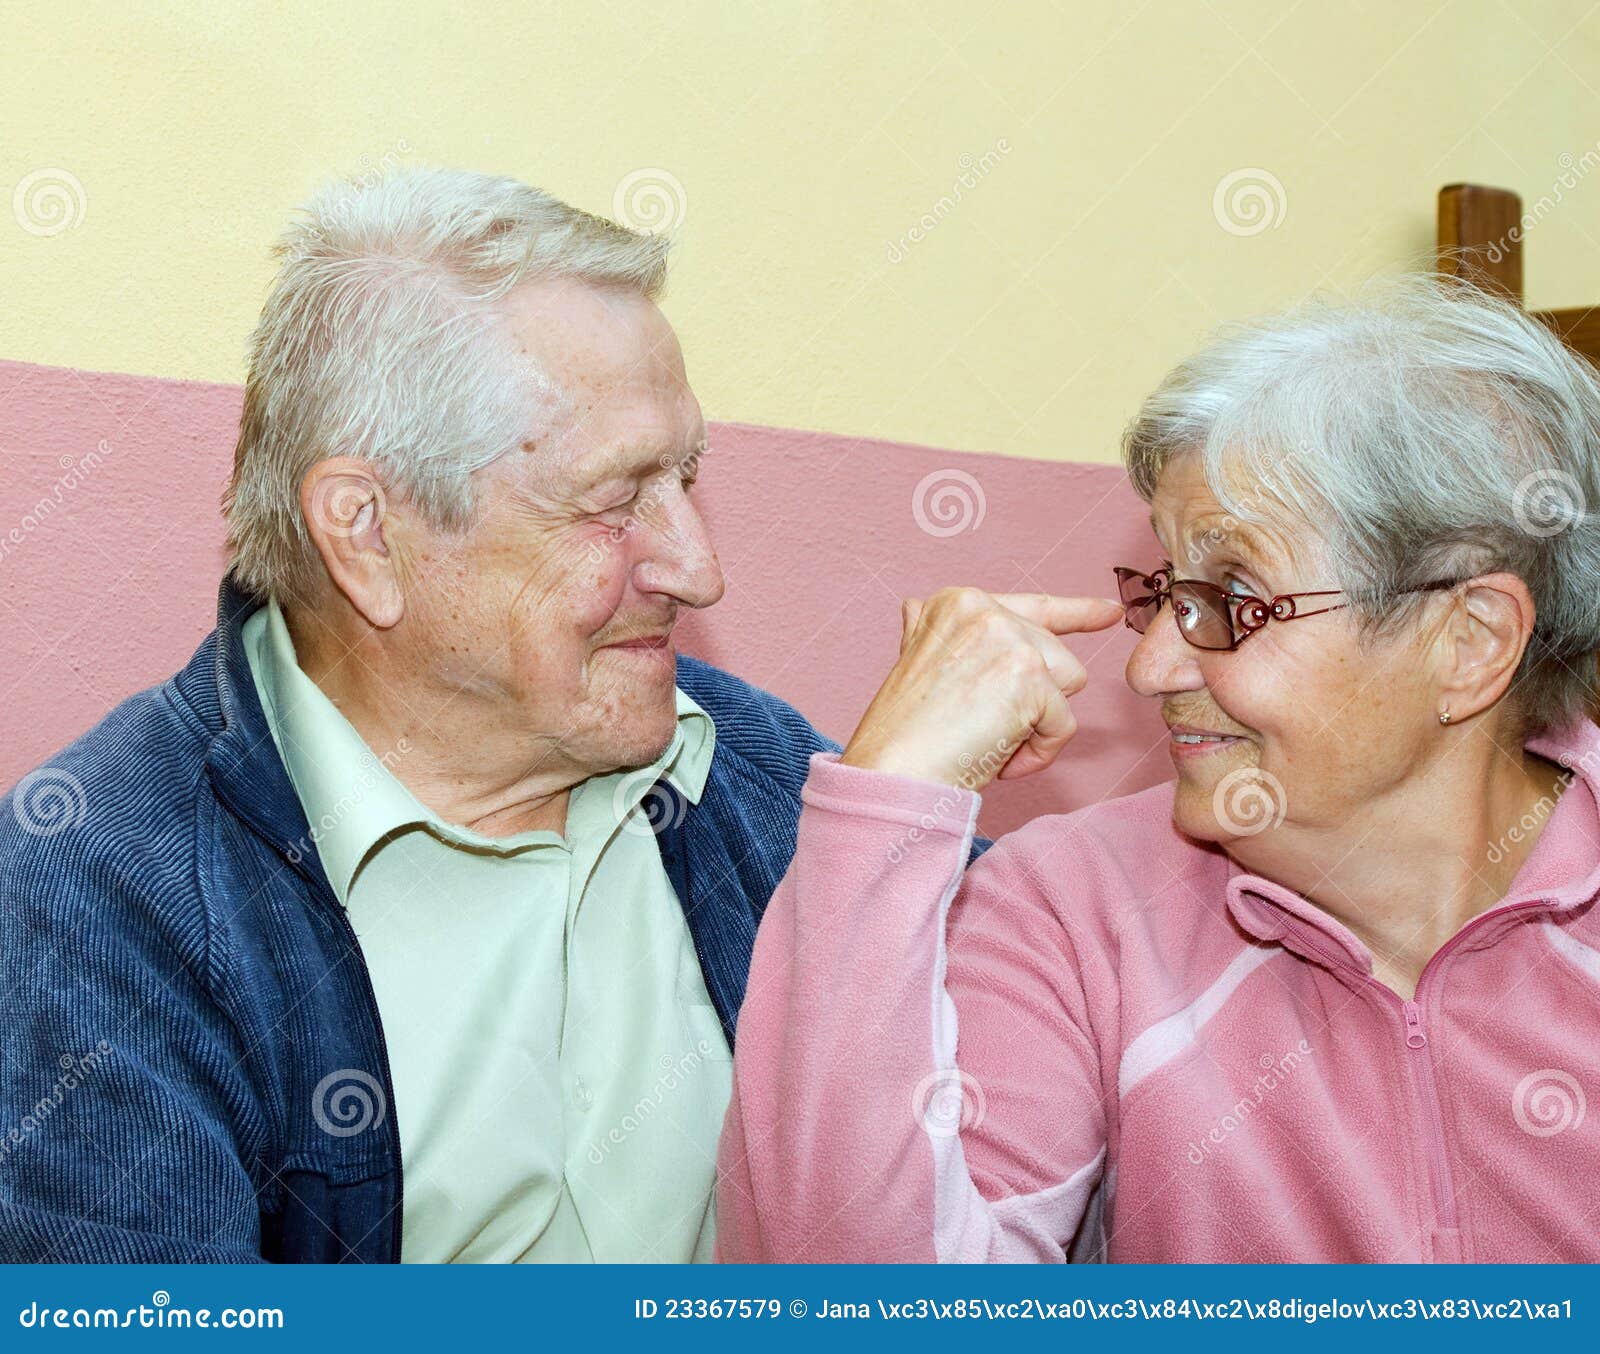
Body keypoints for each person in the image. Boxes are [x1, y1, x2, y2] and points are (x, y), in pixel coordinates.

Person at [0, 166, 845, 1262]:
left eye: (686, 476)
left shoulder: (755, 768)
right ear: (365, 534)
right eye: (614, 499)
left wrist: (909, 821)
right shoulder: (95, 895)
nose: (698, 567)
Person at [717, 276, 1600, 1263]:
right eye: (1164, 594)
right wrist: (885, 806)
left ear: (1468, 642)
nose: (1148, 668)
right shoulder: (1071, 905)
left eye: (1233, 594)